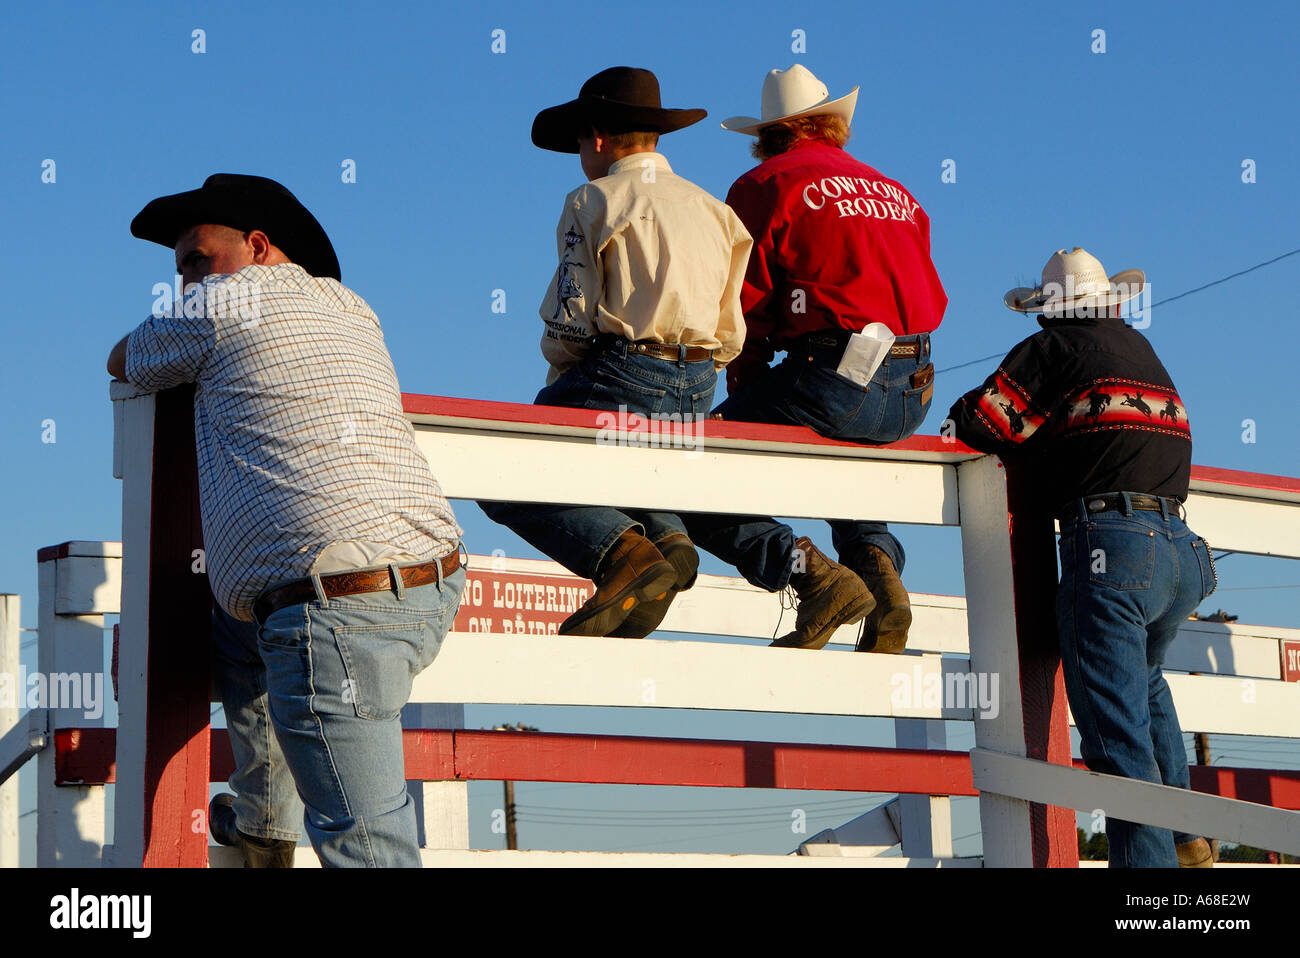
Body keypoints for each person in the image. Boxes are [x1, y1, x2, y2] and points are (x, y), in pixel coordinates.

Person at [107, 173, 465, 868]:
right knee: (240, 633)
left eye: (196, 261)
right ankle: (265, 822)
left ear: (259, 246)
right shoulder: (351, 305)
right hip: (429, 576)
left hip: (337, 607)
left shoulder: (223, 301)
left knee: (365, 843)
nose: (185, 283)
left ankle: (268, 824)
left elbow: (123, 360)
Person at [947, 247, 1215, 869]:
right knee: (1145, 685)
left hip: (1114, 546)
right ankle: (1187, 832)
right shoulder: (1142, 353)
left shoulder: (1055, 349)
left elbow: (981, 423)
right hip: (1181, 549)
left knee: (1117, 738)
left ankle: (1152, 892)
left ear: (1050, 311)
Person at [479, 67, 753, 639]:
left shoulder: (592, 198)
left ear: (598, 138)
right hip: (699, 376)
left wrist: (560, 365)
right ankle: (668, 536)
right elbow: (730, 327)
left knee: (505, 465)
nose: (579, 152)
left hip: (624, 364)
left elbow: (573, 315)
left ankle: (624, 553)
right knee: (634, 448)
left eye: (579, 140)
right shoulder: (717, 211)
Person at [681, 65, 948, 652]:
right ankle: (878, 571)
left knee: (690, 467)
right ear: (831, 125)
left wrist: (742, 398)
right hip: (916, 383)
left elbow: (742, 307)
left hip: (832, 374)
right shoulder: (894, 189)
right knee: (843, 458)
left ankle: (815, 578)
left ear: (767, 134)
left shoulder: (762, 186)